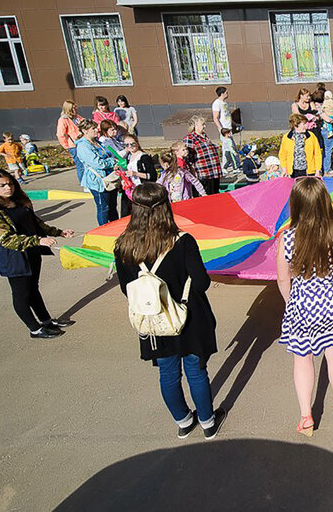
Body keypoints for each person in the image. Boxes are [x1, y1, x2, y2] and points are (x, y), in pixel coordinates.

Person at [114, 182, 223, 439]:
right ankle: (207, 422)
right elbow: (201, 283)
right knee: (195, 370)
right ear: (166, 207)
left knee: (168, 372)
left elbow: (124, 288)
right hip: (188, 316)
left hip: (153, 320)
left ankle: (183, 421)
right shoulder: (182, 241)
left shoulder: (123, 245)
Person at [276, 177, 333, 436]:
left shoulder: (287, 238)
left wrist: (291, 302)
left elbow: (283, 278)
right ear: (325, 202)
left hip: (302, 302)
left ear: (297, 205)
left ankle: (306, 417)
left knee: (302, 359)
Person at [0, 169, 75, 339]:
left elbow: (36, 223)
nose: (8, 188)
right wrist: (37, 241)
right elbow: (6, 239)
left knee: (33, 288)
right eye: (2, 185)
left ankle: (46, 321)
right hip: (13, 257)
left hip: (31, 252)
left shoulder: (18, 201)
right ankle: (35, 329)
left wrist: (58, 232)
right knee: (21, 293)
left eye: (10, 183)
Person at [75, 119, 117, 225]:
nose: (96, 130)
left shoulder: (97, 142)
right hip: (97, 181)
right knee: (104, 207)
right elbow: (98, 163)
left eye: (96, 127)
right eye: (93, 128)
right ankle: (103, 231)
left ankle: (115, 228)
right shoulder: (83, 146)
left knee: (112, 207)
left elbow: (109, 155)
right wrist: (112, 162)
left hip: (110, 178)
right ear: (84, 131)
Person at [120, 134, 158, 218]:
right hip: (131, 190)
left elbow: (152, 176)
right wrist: (124, 179)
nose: (130, 146)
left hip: (142, 190)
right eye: (126, 145)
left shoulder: (144, 157)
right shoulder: (128, 157)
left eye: (132, 143)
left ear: (137, 143)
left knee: (143, 214)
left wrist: (135, 173)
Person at [184, 117, 223, 195]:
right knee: (206, 195)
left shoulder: (204, 136)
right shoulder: (190, 138)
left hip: (213, 171)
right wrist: (193, 171)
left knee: (215, 193)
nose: (204, 126)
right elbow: (188, 158)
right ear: (195, 126)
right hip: (203, 173)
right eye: (203, 124)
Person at [279, 113, 322, 178]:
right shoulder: (287, 138)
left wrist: (318, 170)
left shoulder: (311, 136)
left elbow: (317, 154)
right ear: (296, 125)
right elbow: (282, 155)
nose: (306, 126)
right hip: (293, 171)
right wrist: (284, 169)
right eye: (304, 124)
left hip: (309, 171)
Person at [57, 100, 85, 184]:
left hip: (83, 142)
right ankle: (83, 183)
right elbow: (60, 134)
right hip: (74, 145)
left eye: (76, 107)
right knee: (80, 166)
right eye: (73, 108)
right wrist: (67, 146)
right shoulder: (63, 119)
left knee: (86, 164)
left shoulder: (77, 117)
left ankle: (87, 182)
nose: (75, 109)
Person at [319, 91, 333, 174]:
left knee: (325, 149)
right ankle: (327, 169)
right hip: (329, 125)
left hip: (324, 127)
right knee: (328, 149)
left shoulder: (323, 104)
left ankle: (324, 167)